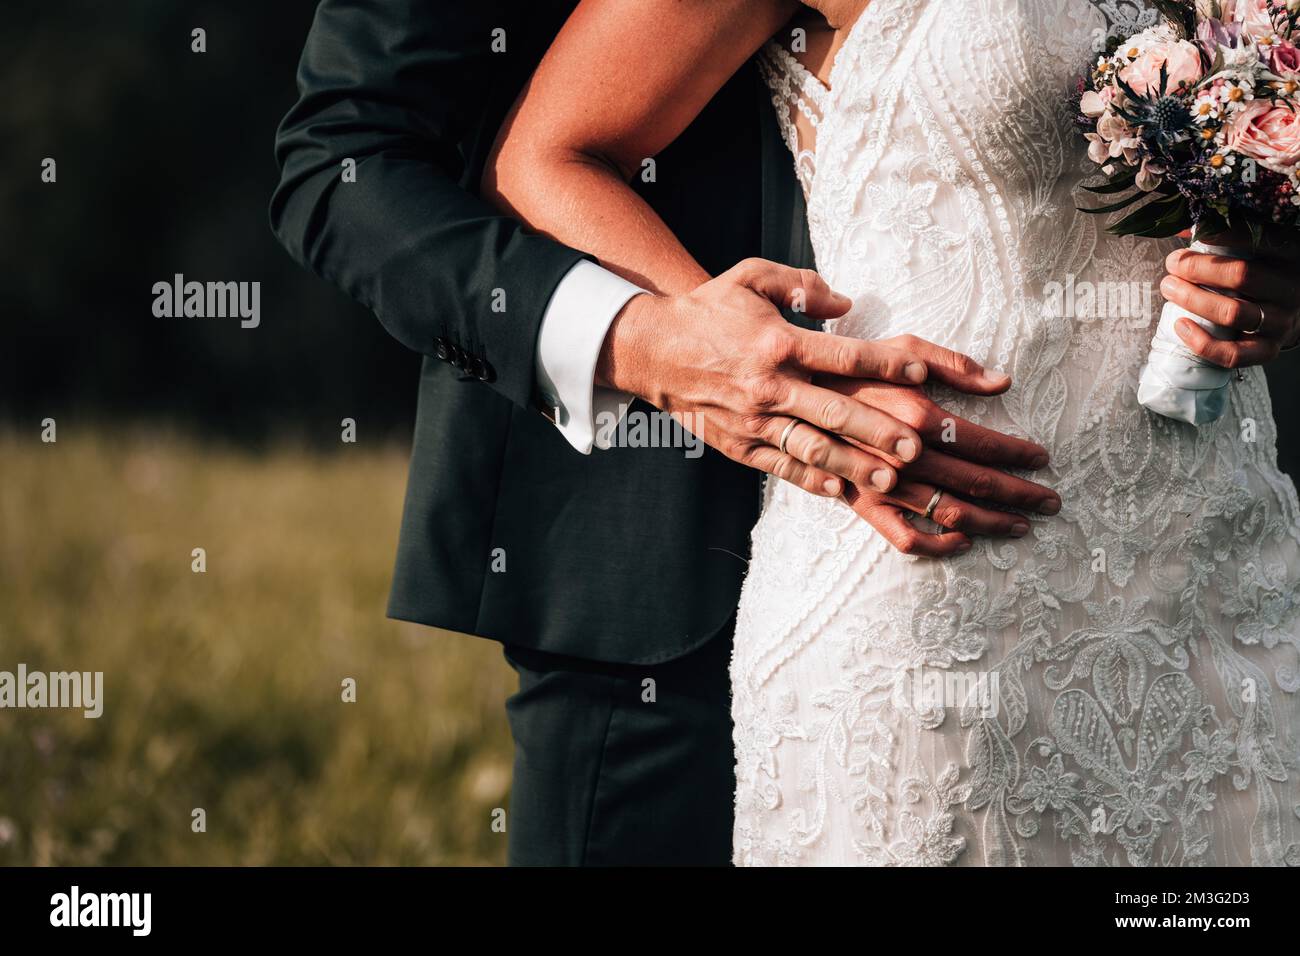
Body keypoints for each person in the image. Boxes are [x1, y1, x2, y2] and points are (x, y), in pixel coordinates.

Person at [484, 0, 1300, 865]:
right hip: (934, 600)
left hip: (1222, 592)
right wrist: (736, 362)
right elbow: (548, 154)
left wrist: (1272, 279)